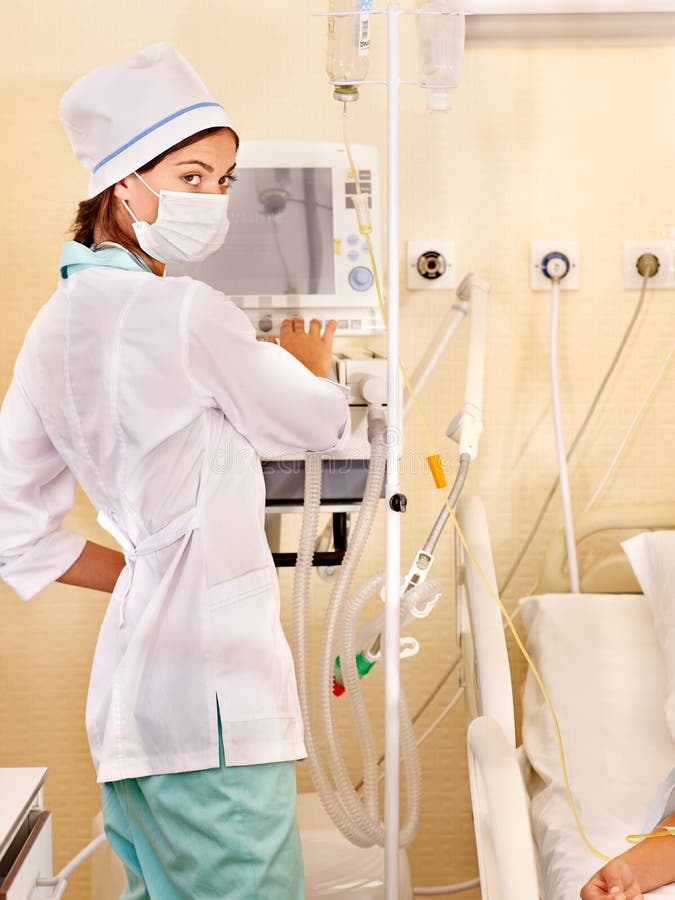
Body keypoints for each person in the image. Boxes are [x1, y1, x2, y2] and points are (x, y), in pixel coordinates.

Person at [0, 43, 351, 899]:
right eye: (191, 177)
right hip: (212, 721)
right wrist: (309, 364)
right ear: (124, 183)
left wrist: (151, 571)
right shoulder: (185, 312)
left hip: (131, 716)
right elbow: (318, 422)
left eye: (224, 181)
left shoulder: (53, 328)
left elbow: (13, 531)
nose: (213, 200)